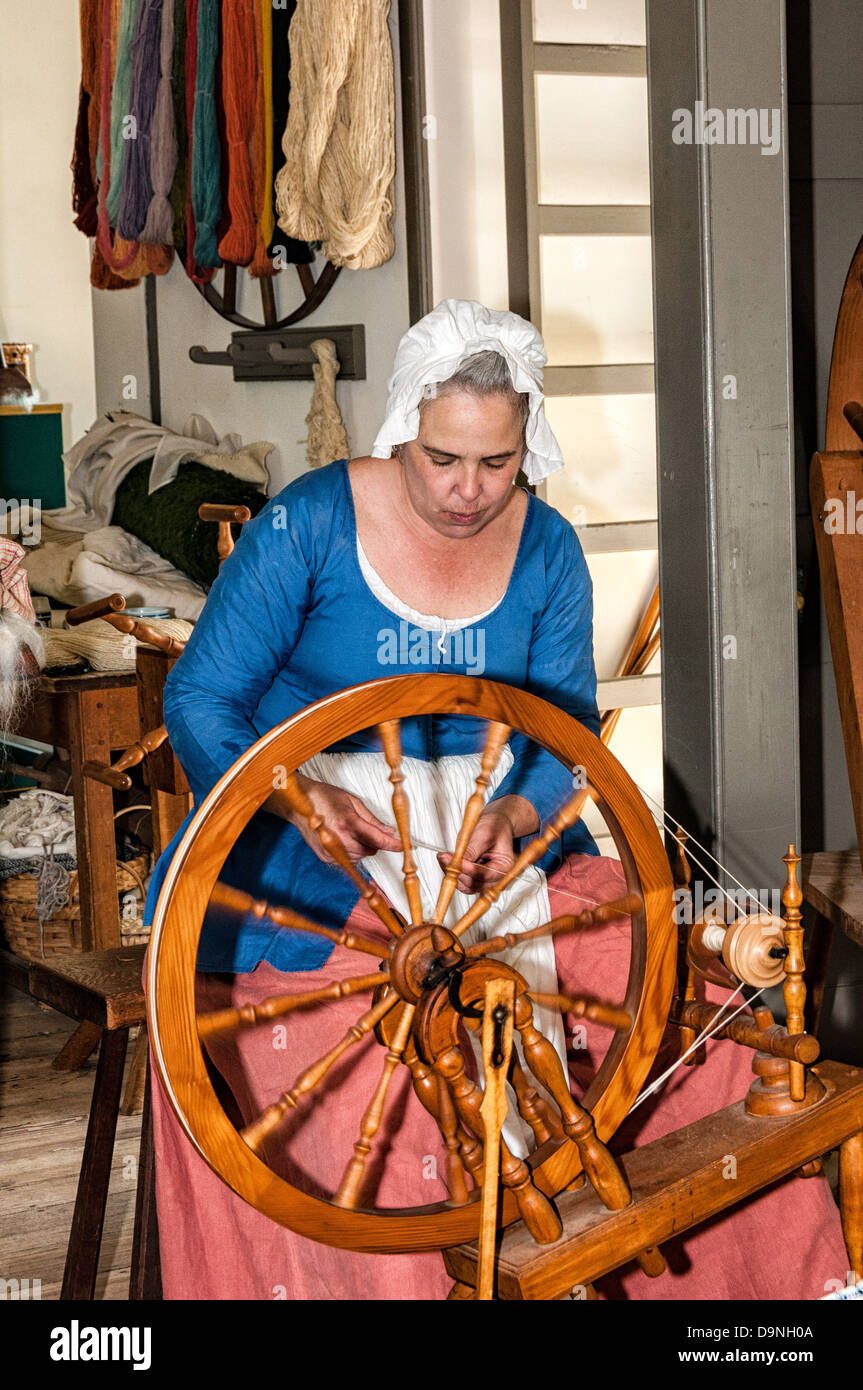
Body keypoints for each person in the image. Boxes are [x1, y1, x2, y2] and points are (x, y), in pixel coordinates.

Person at [145, 299, 848, 1300]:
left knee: (684, 995)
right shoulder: (305, 524)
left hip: (488, 845)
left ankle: (742, 1293)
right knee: (374, 1056)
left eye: (495, 463)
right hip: (300, 840)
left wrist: (516, 815)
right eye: (440, 459)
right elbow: (199, 700)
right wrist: (294, 790)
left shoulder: (548, 549)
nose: (467, 490)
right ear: (400, 428)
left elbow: (561, 737)